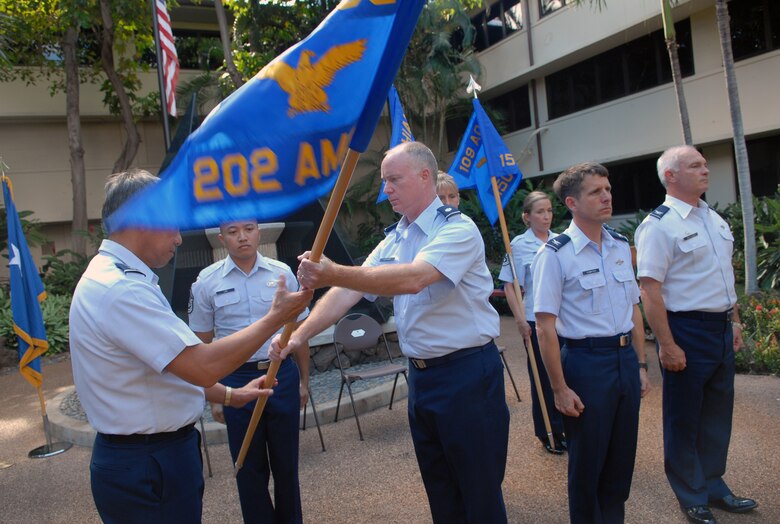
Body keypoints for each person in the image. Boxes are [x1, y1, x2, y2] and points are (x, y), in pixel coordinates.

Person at [271, 141, 509, 524]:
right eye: (385, 182)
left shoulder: (458, 230)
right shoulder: (394, 238)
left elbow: (414, 278)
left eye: (394, 180)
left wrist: (333, 271)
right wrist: (299, 334)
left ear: (425, 176)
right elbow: (348, 292)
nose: (386, 190)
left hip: (466, 375)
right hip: (423, 377)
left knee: (479, 494)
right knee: (442, 492)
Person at [69, 169, 312, 524]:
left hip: (151, 455)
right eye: (172, 224)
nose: (179, 238)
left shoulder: (119, 277)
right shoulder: (121, 289)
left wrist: (229, 396)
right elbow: (199, 363)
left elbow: (169, 366)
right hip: (149, 460)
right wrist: (275, 318)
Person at [635, 146, 757, 524]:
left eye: (704, 164)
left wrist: (734, 320)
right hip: (686, 329)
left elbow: (724, 276)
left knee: (718, 414)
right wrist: (667, 344)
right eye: (695, 165)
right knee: (685, 417)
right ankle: (691, 494)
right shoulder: (659, 224)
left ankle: (713, 483)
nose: (705, 169)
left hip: (720, 327)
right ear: (670, 176)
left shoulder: (713, 219)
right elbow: (650, 289)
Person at [532, 162, 650, 524]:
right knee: (588, 464)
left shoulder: (618, 246)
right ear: (571, 202)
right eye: (596, 192)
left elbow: (634, 308)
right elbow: (545, 328)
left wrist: (641, 365)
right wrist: (559, 388)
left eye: (608, 189)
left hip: (623, 361)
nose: (606, 197)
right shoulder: (555, 254)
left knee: (620, 459)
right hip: (586, 363)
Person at [189, 219, 309, 524]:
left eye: (249, 229)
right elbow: (202, 344)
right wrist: (216, 396)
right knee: (248, 467)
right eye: (233, 232)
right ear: (221, 239)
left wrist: (304, 381)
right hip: (236, 380)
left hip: (281, 375)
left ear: (259, 232)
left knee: (287, 465)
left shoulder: (282, 274)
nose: (242, 237)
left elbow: (300, 332)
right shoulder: (206, 282)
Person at [499, 190, 566, 454]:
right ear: (527, 217)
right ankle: (549, 431)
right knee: (543, 377)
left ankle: (568, 426)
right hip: (535, 320)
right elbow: (509, 286)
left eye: (549, 211)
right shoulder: (517, 244)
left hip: (564, 320)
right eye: (540, 212)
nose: (546, 216)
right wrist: (519, 321)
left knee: (567, 374)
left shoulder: (561, 241)